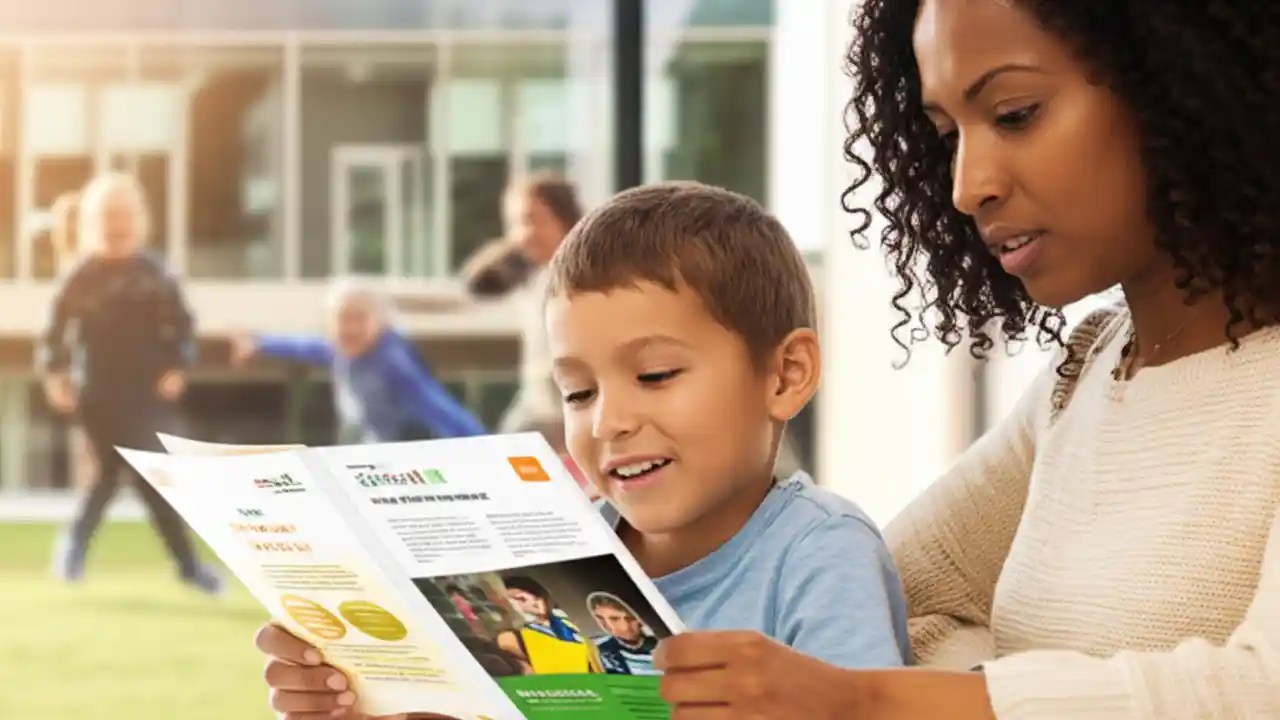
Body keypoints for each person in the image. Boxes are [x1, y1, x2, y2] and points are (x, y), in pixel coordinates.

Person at [652, 1, 1280, 718]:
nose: (967, 184)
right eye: (947, 135)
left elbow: (1260, 690)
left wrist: (872, 701)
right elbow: (884, 597)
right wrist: (1000, 687)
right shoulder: (1087, 374)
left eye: (1015, 114)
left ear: (1175, 87)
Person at [252, 181, 911, 719]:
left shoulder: (821, 556)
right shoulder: (561, 550)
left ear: (785, 374)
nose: (608, 423)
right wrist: (364, 702)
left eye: (655, 375)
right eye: (577, 392)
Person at [38, 172, 222, 594]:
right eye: (109, 216)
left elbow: (183, 325)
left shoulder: (155, 273)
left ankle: (74, 551)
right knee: (136, 474)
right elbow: (54, 332)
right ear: (92, 222)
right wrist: (56, 374)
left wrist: (178, 366)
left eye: (125, 215)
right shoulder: (82, 275)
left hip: (147, 394)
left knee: (116, 475)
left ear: (140, 220)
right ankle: (189, 567)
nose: (117, 224)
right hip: (98, 392)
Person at [231, 279, 485, 443]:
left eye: (359, 318)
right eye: (342, 319)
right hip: (368, 443)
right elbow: (304, 346)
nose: (350, 328)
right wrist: (260, 344)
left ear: (380, 322)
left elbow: (438, 407)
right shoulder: (338, 348)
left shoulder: (393, 362)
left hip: (404, 449)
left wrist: (483, 445)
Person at [496, 575, 600, 676]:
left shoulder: (569, 626)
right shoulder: (510, 636)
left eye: (536, 596)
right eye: (521, 599)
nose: (534, 601)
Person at [587, 592, 660, 676]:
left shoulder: (662, 649)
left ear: (636, 619)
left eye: (615, 619)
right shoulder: (595, 648)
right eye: (600, 618)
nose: (608, 625)